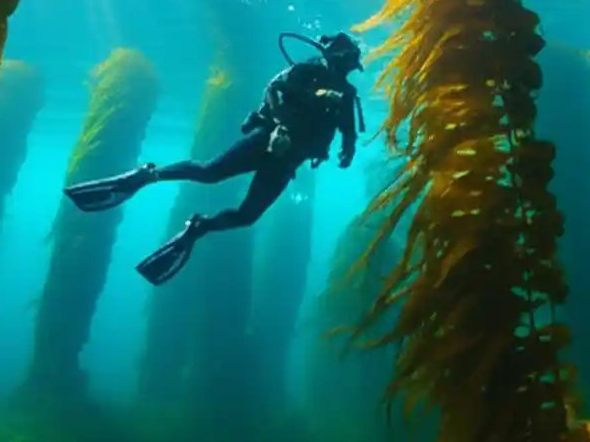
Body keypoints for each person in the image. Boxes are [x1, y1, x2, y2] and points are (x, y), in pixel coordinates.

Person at [63, 31, 366, 285]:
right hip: (267, 143)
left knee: (246, 216)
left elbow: (348, 128)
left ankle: (199, 227)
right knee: (209, 173)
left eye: (353, 62)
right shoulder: (306, 71)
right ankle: (148, 175)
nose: (352, 66)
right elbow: (274, 89)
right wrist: (283, 124)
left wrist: (348, 148)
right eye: (350, 59)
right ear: (340, 57)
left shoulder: (348, 94)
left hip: (288, 161)